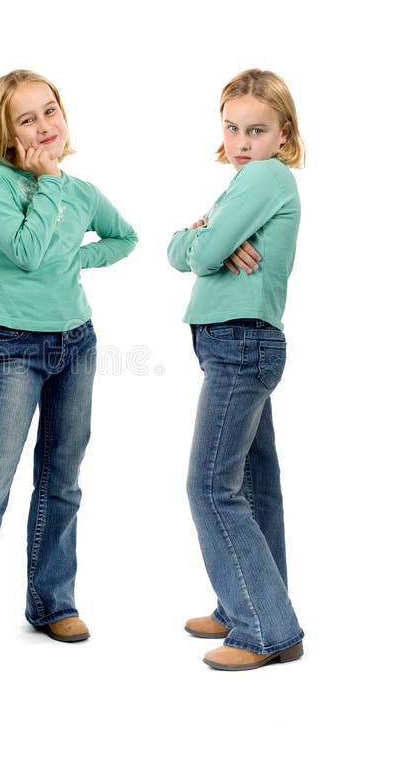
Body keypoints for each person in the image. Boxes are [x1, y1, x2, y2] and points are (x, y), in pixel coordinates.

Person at [0, 69, 138, 675]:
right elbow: (28, 251)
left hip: (78, 343)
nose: (44, 127)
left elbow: (125, 237)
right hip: (15, 347)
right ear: (5, 132)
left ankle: (51, 602)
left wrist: (76, 258)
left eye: (50, 111)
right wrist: (46, 186)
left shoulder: (80, 189)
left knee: (62, 480)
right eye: (27, 119)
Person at [167, 68, 305, 671]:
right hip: (239, 343)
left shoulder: (266, 177)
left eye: (257, 129)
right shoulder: (243, 184)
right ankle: (245, 602)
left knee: (209, 486)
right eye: (231, 128)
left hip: (241, 344)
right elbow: (183, 250)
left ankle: (265, 627)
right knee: (253, 486)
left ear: (283, 133)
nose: (241, 141)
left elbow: (196, 255)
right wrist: (207, 238)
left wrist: (207, 243)